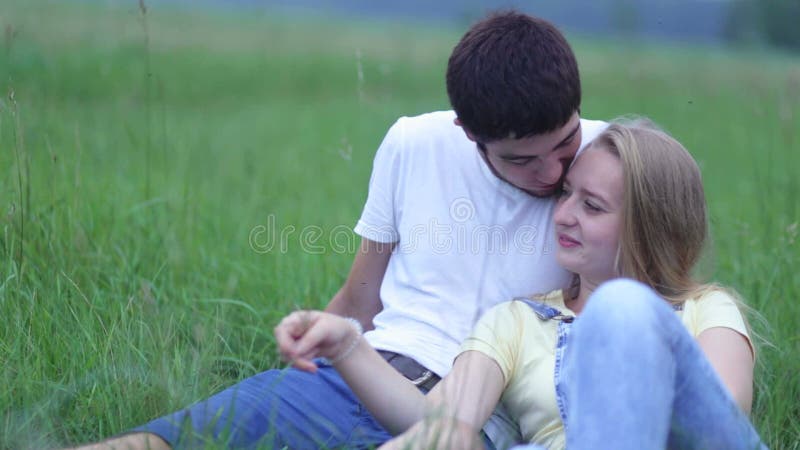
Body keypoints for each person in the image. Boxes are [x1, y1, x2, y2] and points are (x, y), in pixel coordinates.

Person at [69, 11, 608, 450]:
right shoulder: (415, 143)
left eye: (564, 144)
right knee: (164, 441)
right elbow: (361, 296)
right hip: (359, 372)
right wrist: (304, 354)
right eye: (523, 160)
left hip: (480, 421)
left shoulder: (613, 165)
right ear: (467, 132)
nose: (554, 174)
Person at [274, 120, 766, 450]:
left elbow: (722, 427)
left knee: (621, 309)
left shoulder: (706, 308)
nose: (564, 214)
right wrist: (348, 344)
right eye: (566, 194)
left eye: (592, 206)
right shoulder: (516, 320)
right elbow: (443, 428)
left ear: (650, 225)